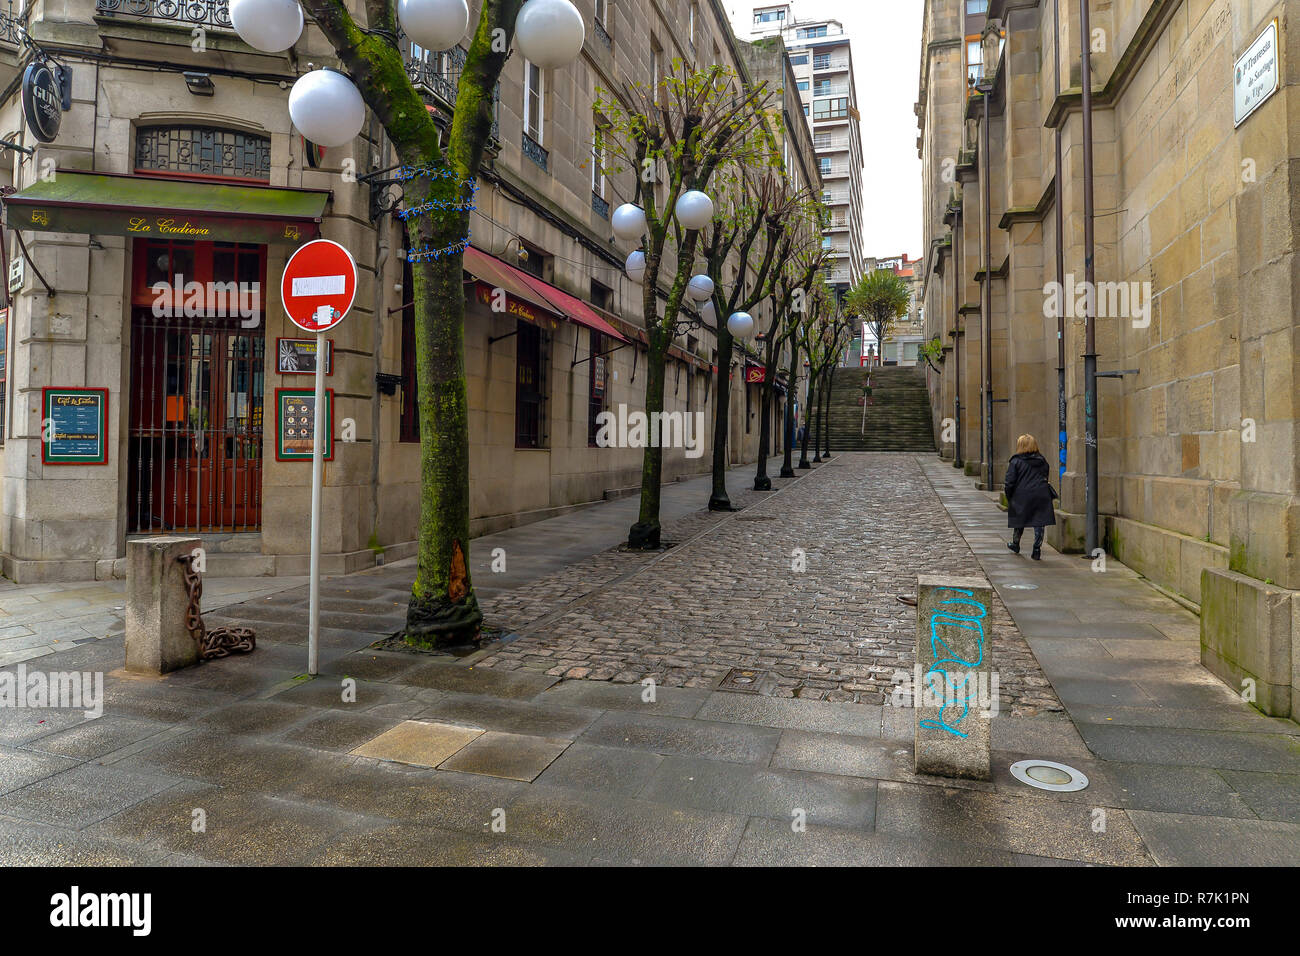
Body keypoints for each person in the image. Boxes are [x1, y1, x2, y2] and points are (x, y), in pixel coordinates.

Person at [1004, 434, 1058, 560]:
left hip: (1022, 494)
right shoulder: (1042, 460)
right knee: (1040, 522)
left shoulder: (1015, 461)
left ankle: (1016, 544)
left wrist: (1010, 497)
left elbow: (1009, 482)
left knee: (1019, 519)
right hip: (1041, 493)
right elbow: (1045, 475)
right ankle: (1036, 549)